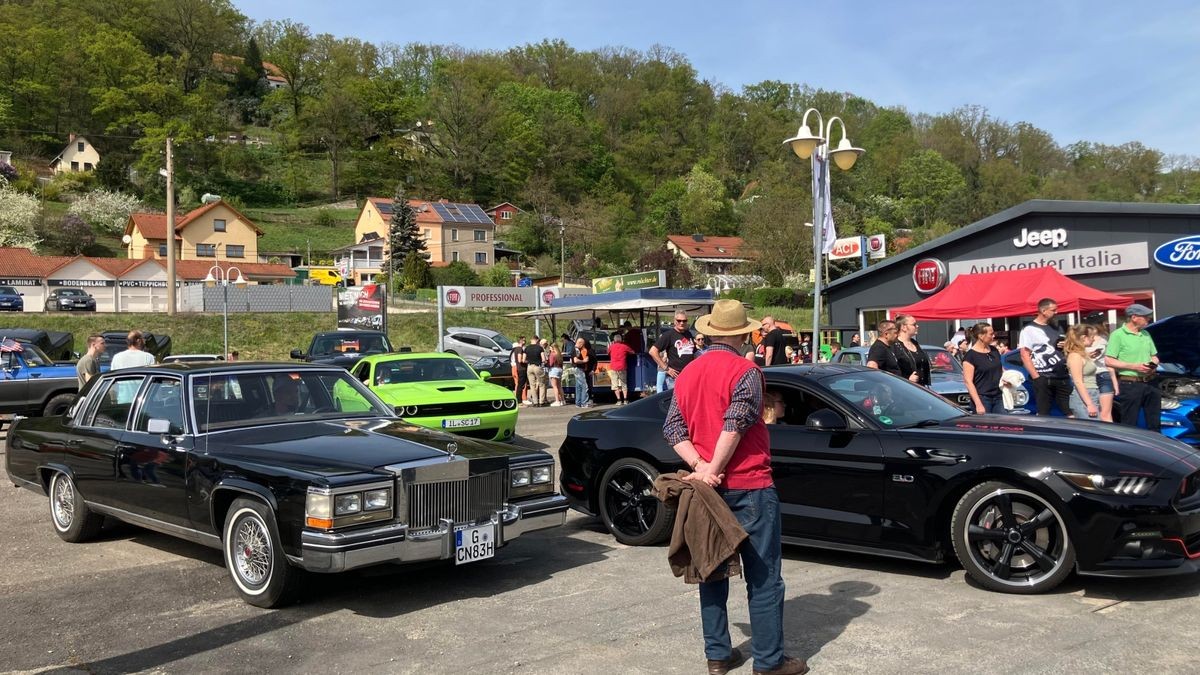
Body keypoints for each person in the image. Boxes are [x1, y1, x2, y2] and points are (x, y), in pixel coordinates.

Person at [661, 299, 805, 675]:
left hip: (705, 490)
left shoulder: (688, 372)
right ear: (743, 334)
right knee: (764, 578)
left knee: (710, 570)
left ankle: (719, 656)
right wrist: (713, 467)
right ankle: (769, 663)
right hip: (749, 484)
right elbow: (736, 423)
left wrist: (699, 467)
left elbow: (672, 429)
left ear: (709, 333)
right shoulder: (747, 371)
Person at [1105, 304, 1160, 430]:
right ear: (1134, 317)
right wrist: (1135, 367)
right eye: (1145, 317)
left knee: (1155, 421)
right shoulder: (1118, 335)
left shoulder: (1146, 334)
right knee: (1129, 422)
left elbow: (1155, 356)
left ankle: (1157, 447)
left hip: (1151, 382)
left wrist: (1151, 365)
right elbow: (1109, 360)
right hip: (1130, 384)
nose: (1148, 319)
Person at [1019, 298, 1071, 416]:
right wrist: (1037, 378)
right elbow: (1024, 354)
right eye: (1053, 310)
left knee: (1068, 412)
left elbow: (1065, 348)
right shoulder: (1029, 330)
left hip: (1061, 376)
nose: (1056, 312)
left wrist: (1065, 345)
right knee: (1044, 412)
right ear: (1043, 311)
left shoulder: (1057, 327)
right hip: (1043, 376)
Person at [961, 323, 1005, 414]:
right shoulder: (970, 356)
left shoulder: (994, 350)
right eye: (991, 334)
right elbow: (968, 381)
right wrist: (978, 404)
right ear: (981, 336)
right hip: (983, 398)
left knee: (1002, 426)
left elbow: (1000, 369)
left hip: (999, 397)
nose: (994, 336)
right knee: (985, 427)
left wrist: (1008, 379)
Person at [650, 311, 696, 392]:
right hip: (675, 378)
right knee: (676, 403)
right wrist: (666, 368)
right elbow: (653, 351)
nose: (682, 323)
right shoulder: (668, 335)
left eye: (684, 321)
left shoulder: (688, 334)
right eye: (679, 320)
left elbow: (694, 353)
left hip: (689, 376)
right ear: (674, 321)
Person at [1065, 324, 1101, 420]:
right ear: (1084, 338)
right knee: (1091, 430)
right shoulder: (1075, 356)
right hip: (1084, 396)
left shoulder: (1082, 355)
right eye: (1092, 337)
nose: (1094, 339)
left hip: (1092, 393)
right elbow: (1078, 382)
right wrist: (1089, 404)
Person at [892, 314, 931, 387]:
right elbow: (890, 370)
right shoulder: (895, 346)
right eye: (914, 324)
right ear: (904, 327)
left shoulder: (914, 343)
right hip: (904, 389)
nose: (917, 326)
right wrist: (906, 379)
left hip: (921, 388)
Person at [1089, 324, 1116, 422]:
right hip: (1090, 377)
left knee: (1104, 413)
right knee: (1098, 412)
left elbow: (1095, 356)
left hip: (1101, 374)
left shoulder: (1103, 341)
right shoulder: (1081, 342)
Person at [607, 332, 634, 405]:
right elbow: (632, 352)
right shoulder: (624, 346)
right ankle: (625, 400)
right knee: (624, 384)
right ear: (621, 340)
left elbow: (607, 352)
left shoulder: (611, 347)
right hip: (622, 367)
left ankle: (618, 400)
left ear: (614, 340)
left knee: (615, 384)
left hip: (613, 367)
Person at [572, 337, 596, 408]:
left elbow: (572, 360)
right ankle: (584, 403)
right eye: (582, 343)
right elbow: (575, 360)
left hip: (577, 369)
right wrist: (584, 361)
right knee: (584, 386)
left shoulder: (576, 350)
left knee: (578, 387)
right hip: (579, 369)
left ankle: (578, 403)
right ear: (581, 343)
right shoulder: (576, 350)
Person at [524, 337, 546, 406]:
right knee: (542, 384)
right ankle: (541, 402)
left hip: (529, 367)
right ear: (537, 340)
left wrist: (530, 361)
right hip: (537, 366)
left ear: (531, 340)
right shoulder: (540, 348)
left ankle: (535, 402)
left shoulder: (526, 348)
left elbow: (523, 360)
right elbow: (543, 359)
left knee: (532, 385)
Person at [510, 336, 528, 404]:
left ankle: (519, 399)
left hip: (517, 368)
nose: (525, 341)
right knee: (521, 384)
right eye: (524, 340)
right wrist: (527, 361)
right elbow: (520, 360)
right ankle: (520, 399)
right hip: (521, 368)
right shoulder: (520, 349)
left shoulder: (515, 350)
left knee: (518, 384)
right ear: (521, 341)